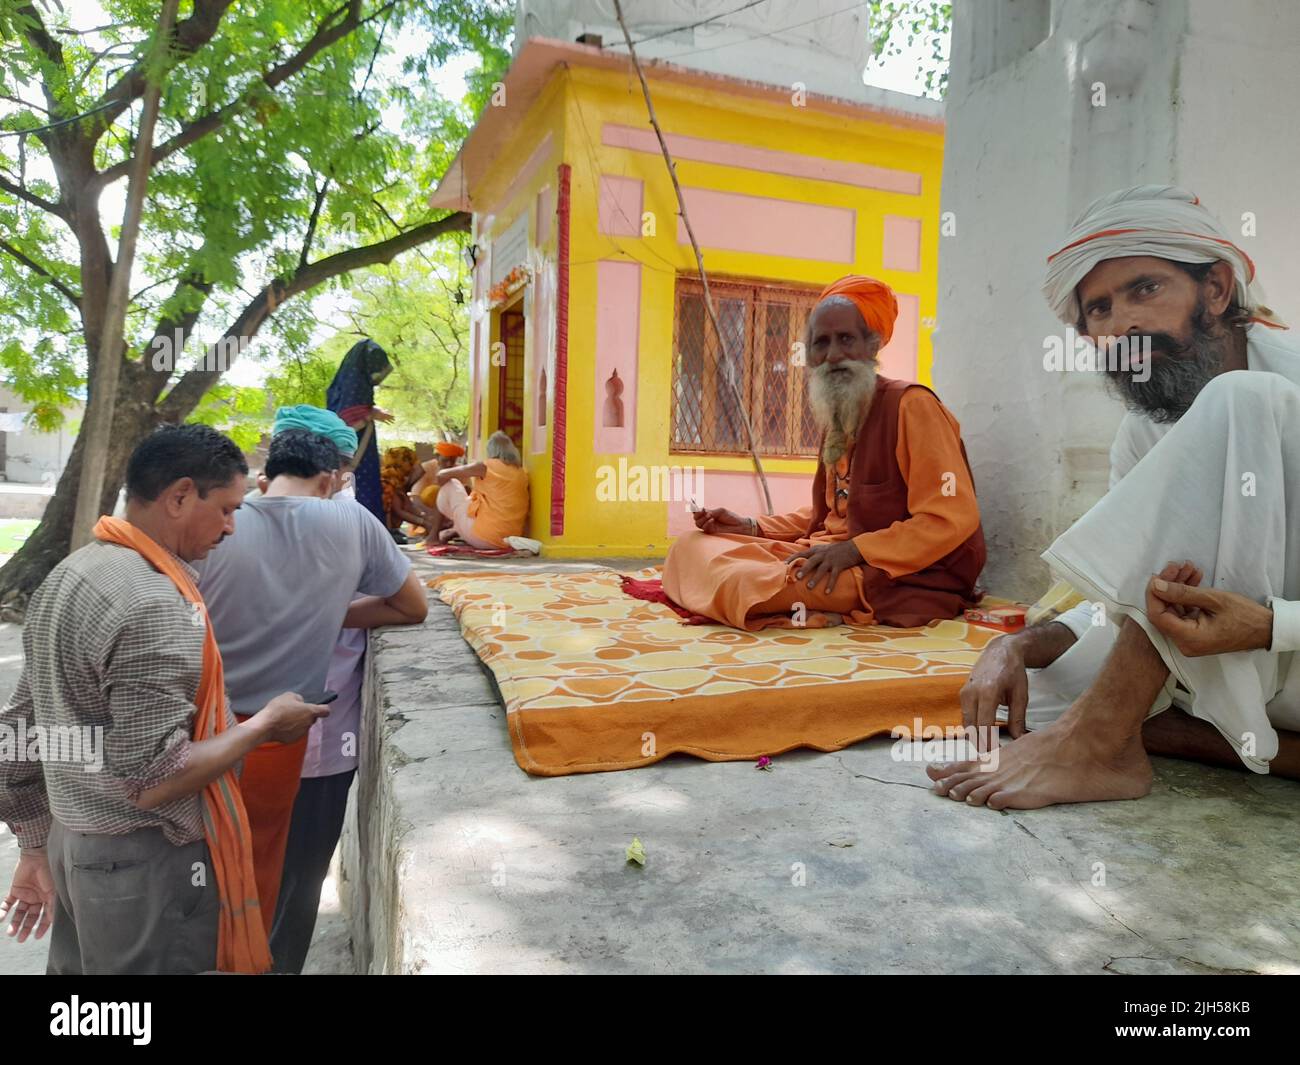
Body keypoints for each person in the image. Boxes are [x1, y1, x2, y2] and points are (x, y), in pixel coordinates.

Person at [930, 185, 1300, 810]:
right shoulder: (1142, 430)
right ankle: (1148, 734)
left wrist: (1269, 627)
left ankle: (1101, 739)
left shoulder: (1275, 390)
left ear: (1215, 289)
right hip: (1248, 676)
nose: (1121, 323)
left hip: (1284, 653)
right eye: (1098, 310)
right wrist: (1014, 643)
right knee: (1029, 698)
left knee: (1243, 398)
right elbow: (1130, 606)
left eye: (1144, 289)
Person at [0, 424, 326, 974]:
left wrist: (37, 847)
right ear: (179, 496)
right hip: (140, 860)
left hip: (76, 848)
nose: (229, 529)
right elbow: (155, 779)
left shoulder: (73, 572)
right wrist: (266, 724)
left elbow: (18, 729)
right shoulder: (153, 601)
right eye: (226, 509)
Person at [196, 429, 428, 938]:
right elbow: (413, 607)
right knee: (290, 880)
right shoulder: (352, 520)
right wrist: (324, 611)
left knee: (205, 881)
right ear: (330, 479)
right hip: (291, 742)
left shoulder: (216, 526)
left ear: (264, 475)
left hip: (203, 737)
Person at [661, 275, 986, 630]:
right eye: (821, 343)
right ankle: (800, 598)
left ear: (872, 345)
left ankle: (819, 604)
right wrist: (752, 526)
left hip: (891, 573)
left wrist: (856, 550)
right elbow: (833, 513)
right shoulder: (839, 416)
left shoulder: (912, 406)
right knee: (689, 546)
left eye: (846, 339)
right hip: (826, 555)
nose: (833, 355)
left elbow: (950, 517)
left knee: (742, 583)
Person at [326, 338, 394, 523]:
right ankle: (362, 528)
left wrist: (371, 412)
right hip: (354, 448)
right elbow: (348, 418)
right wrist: (369, 415)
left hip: (361, 444)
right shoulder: (351, 387)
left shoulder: (352, 384)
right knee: (355, 486)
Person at [435, 430, 530, 549]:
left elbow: (442, 475)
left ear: (490, 450)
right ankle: (457, 529)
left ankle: (439, 533)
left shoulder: (485, 466)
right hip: (509, 539)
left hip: (485, 538)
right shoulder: (521, 472)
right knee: (471, 499)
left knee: (451, 484)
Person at [380, 445, 438, 543]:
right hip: (386, 533)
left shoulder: (400, 483)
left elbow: (409, 507)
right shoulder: (388, 482)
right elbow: (399, 512)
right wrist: (424, 523)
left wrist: (429, 519)